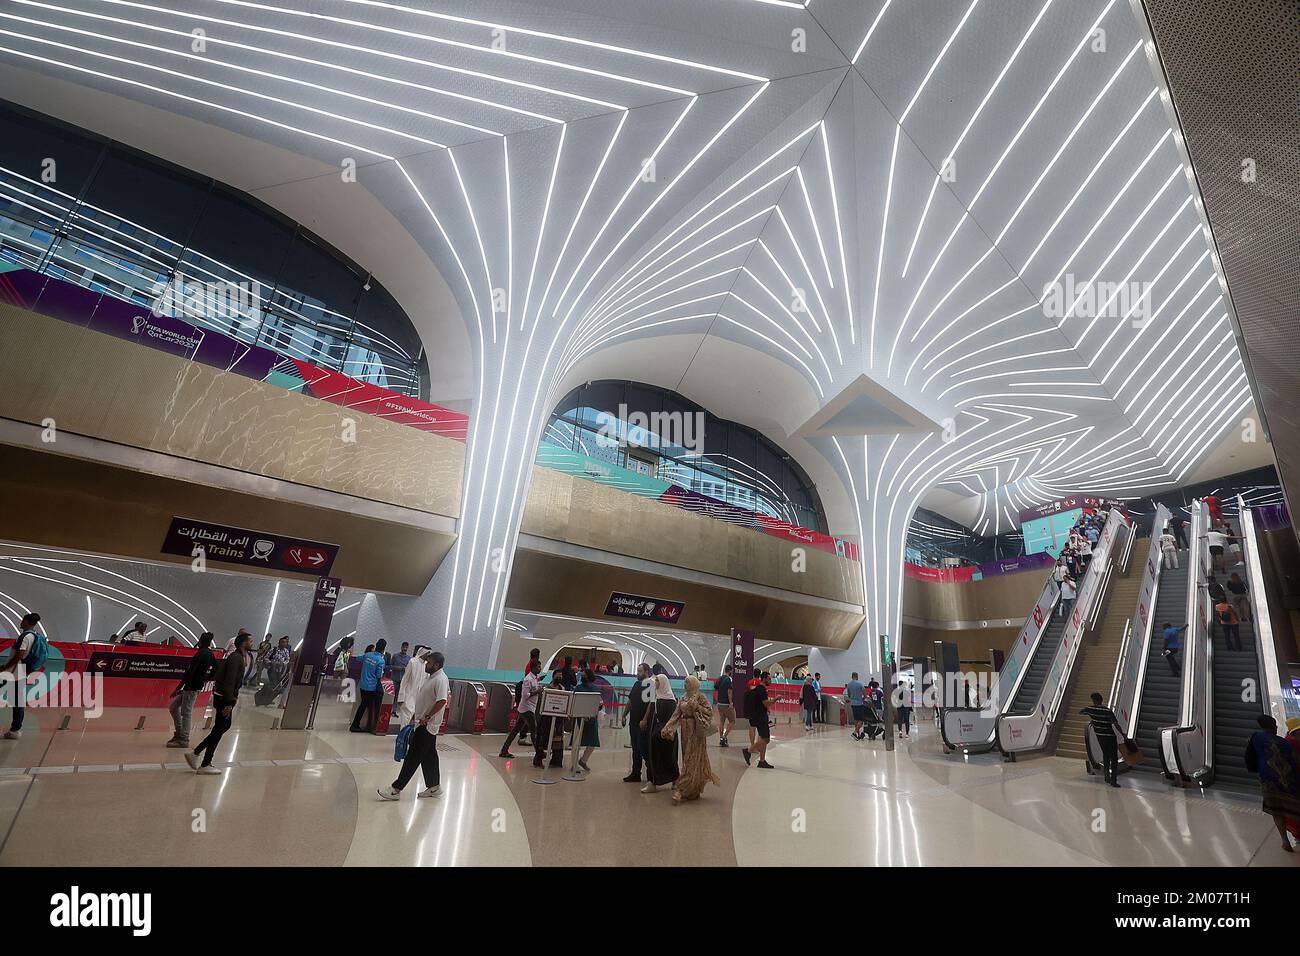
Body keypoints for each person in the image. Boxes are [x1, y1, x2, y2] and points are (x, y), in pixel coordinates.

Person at [378, 651, 449, 801]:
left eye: (429, 663)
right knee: (429, 755)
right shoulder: (432, 677)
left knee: (413, 756)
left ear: (436, 665)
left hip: (427, 724)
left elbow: (442, 701)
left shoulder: (441, 679)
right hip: (421, 722)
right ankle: (434, 786)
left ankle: (396, 789)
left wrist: (427, 717)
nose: (426, 665)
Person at [186, 631, 250, 775]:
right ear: (243, 643)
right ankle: (203, 761)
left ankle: (197, 754)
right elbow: (230, 680)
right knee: (221, 727)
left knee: (222, 727)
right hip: (224, 698)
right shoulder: (236, 658)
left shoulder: (238, 657)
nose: (252, 643)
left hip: (224, 697)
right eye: (250, 641)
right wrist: (229, 701)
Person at [1244, 715, 1300, 852]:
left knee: (1277, 812)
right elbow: (1296, 763)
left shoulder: (1256, 737)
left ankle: (1285, 841)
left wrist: (1258, 769)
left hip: (1268, 781)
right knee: (1296, 809)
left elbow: (1249, 757)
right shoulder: (1284, 743)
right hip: (1289, 782)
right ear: (1274, 726)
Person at [661, 675, 720, 803]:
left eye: (687, 682)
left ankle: (680, 790)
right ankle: (693, 790)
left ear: (693, 684)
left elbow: (709, 711)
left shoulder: (700, 697)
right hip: (685, 731)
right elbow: (676, 714)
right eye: (685, 682)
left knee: (691, 760)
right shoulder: (683, 697)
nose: (685, 684)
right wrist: (668, 727)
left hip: (696, 732)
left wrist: (696, 707)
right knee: (687, 757)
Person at [167, 631, 215, 748]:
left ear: (201, 641)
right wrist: (206, 679)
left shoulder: (200, 654)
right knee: (173, 707)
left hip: (191, 686)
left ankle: (184, 738)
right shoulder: (209, 653)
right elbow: (216, 668)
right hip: (194, 686)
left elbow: (190, 672)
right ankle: (179, 732)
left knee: (186, 712)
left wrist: (179, 688)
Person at [2, 613, 43, 740]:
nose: (20, 622)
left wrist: (5, 668)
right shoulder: (35, 636)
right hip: (21, 671)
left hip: (14, 672)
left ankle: (15, 729)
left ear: (27, 622)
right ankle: (15, 729)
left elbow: (19, 655)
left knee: (17, 701)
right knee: (17, 700)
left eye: (22, 620)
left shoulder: (25, 637)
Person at [641, 673, 680, 792]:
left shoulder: (670, 700)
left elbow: (672, 719)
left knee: (669, 758)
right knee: (654, 758)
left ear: (663, 683)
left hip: (666, 734)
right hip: (656, 732)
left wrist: (664, 730)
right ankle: (653, 782)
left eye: (657, 681)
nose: (655, 683)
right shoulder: (657, 696)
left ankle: (675, 780)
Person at [500, 660, 542, 759]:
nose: (540, 669)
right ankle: (539, 753)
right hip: (527, 708)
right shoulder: (528, 679)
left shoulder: (534, 678)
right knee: (534, 729)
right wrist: (537, 691)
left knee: (515, 730)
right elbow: (525, 695)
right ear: (533, 668)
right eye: (539, 667)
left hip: (528, 707)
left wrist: (539, 682)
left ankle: (504, 750)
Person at [1081, 692, 1123, 787]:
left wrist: (1094, 719)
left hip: (1101, 737)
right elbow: (1116, 724)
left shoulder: (1090, 709)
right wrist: (1123, 734)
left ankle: (1106, 774)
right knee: (1114, 758)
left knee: (1106, 755)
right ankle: (1113, 780)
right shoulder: (1107, 710)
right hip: (1110, 736)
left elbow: (1081, 711)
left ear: (1093, 700)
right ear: (1101, 700)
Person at [623, 663, 653, 782]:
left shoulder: (649, 685)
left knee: (643, 748)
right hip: (634, 721)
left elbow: (650, 704)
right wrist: (624, 715)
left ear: (646, 672)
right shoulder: (636, 684)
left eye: (640, 671)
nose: (637, 673)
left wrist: (645, 719)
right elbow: (631, 701)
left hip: (642, 723)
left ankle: (651, 771)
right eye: (637, 671)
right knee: (635, 748)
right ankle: (636, 772)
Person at [349, 638, 387, 733]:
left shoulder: (367, 655)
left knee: (364, 704)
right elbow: (379, 675)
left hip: (362, 685)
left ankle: (366, 725)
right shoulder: (380, 661)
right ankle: (356, 725)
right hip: (371, 687)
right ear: (383, 649)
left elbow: (358, 658)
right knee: (365, 706)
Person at [741, 672, 774, 769]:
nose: (770, 680)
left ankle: (762, 761)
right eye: (769, 678)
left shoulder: (757, 688)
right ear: (763, 678)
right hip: (760, 717)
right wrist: (775, 699)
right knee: (766, 739)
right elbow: (766, 703)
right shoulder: (761, 689)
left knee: (762, 737)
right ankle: (748, 750)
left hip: (756, 715)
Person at [575, 668, 602, 772]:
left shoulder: (596, 689)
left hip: (592, 719)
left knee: (593, 742)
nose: (582, 676)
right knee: (577, 743)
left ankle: (583, 760)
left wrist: (599, 707)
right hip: (580, 719)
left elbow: (599, 703)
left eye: (584, 674)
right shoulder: (578, 688)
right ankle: (574, 764)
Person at [395, 647, 429, 726]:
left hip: (420, 699)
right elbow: (405, 680)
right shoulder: (412, 662)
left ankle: (411, 738)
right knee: (405, 720)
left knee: (416, 722)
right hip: (408, 696)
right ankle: (403, 737)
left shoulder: (427, 665)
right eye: (428, 653)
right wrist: (401, 697)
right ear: (423, 653)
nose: (428, 655)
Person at [255, 636, 292, 706]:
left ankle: (266, 699)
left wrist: (282, 663)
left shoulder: (286, 651)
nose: (284, 644)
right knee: (275, 685)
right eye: (283, 642)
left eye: (286, 642)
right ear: (279, 642)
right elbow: (266, 658)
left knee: (275, 686)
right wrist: (271, 663)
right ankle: (261, 698)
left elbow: (287, 660)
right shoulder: (273, 649)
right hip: (272, 669)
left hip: (280, 670)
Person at [713, 664, 735, 747]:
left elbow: (715, 689)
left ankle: (721, 737)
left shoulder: (720, 678)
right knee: (732, 721)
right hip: (726, 704)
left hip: (719, 703)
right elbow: (729, 692)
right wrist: (730, 703)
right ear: (730, 671)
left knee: (722, 721)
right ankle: (724, 738)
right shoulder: (729, 679)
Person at [844, 671, 867, 740]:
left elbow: (849, 695)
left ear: (852, 676)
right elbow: (865, 694)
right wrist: (863, 698)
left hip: (853, 704)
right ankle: (854, 732)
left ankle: (858, 734)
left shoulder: (849, 684)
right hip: (859, 703)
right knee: (861, 720)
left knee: (856, 719)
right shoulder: (860, 684)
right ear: (857, 676)